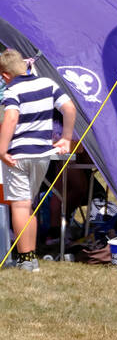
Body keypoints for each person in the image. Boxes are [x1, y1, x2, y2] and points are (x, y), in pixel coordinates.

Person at [0, 49, 76, 272]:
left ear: (5, 76)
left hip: (19, 155)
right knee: (29, 205)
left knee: (20, 205)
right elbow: (69, 108)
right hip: (42, 155)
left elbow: (11, 118)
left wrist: (2, 150)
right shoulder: (48, 84)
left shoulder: (12, 90)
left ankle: (25, 260)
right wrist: (66, 138)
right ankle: (30, 257)